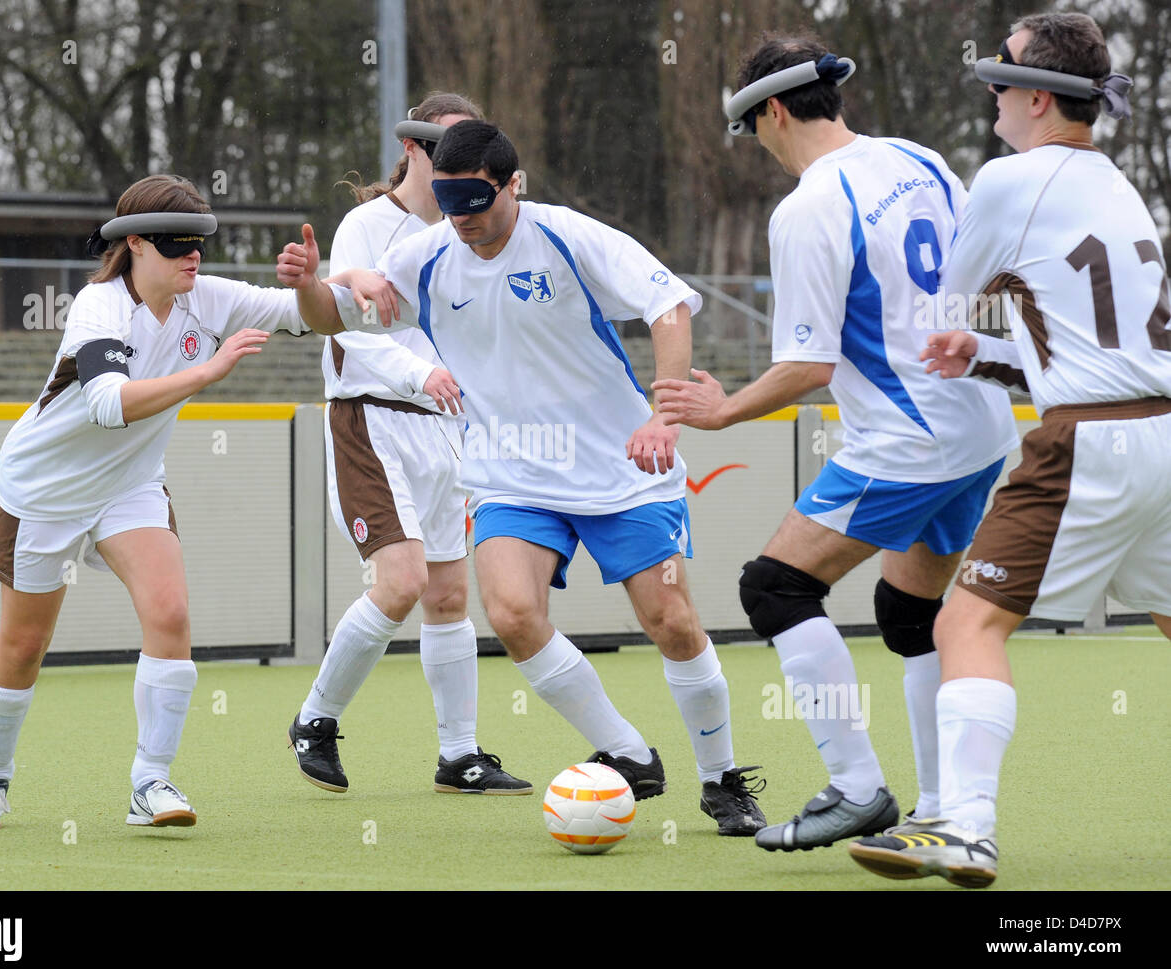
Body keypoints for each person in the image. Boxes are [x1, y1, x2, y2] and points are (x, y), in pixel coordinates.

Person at [277, 120, 768, 836]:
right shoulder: (427, 255)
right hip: (511, 474)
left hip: (620, 467)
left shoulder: (570, 236)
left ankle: (722, 778)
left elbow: (667, 306)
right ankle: (629, 752)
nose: (462, 216)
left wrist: (663, 414)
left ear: (511, 183)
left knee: (672, 621)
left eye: (475, 199)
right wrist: (309, 287)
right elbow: (338, 319)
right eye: (447, 201)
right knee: (509, 611)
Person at [654, 36, 1018, 851]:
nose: (760, 146)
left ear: (774, 110)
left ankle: (858, 788)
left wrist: (722, 411)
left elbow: (806, 365)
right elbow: (981, 275)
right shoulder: (915, 156)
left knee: (773, 588)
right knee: (910, 612)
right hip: (982, 422)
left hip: (907, 441)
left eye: (754, 129)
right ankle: (940, 812)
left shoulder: (810, 207)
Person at [850, 12, 1169, 887]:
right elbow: (1081, 335)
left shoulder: (1008, 179)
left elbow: (943, 309)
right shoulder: (1111, 182)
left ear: (1038, 96)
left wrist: (966, 340)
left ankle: (964, 826)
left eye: (1005, 74)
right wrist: (992, 355)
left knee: (967, 621)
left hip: (1087, 441)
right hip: (1161, 430)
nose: (992, 87)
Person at [0, 175, 326, 830]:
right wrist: (207, 374)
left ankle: (149, 783)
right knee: (23, 643)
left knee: (171, 610)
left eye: (201, 241)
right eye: (177, 242)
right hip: (43, 490)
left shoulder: (207, 298)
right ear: (132, 244)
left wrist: (309, 283)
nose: (194, 255)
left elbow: (308, 315)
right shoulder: (99, 307)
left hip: (131, 485)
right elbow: (106, 405)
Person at [286, 92, 531, 796]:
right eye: (445, 150)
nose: (461, 167)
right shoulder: (369, 224)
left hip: (441, 428)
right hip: (372, 418)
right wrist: (425, 372)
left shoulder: (471, 230)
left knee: (451, 597)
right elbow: (352, 329)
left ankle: (459, 755)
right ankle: (316, 719)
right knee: (400, 582)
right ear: (412, 150)